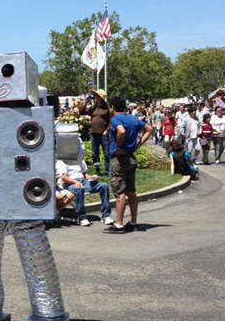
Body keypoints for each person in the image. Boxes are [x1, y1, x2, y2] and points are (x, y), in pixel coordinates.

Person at [104, 96, 153, 234]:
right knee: (131, 191)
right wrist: (138, 146)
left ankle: (119, 225)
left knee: (120, 192)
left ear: (112, 107)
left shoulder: (115, 119)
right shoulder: (132, 118)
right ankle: (133, 222)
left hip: (119, 160)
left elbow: (121, 131)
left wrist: (118, 146)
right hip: (131, 158)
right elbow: (149, 129)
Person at [56, 141, 112, 227]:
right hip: (69, 184)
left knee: (103, 186)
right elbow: (64, 177)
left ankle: (106, 215)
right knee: (79, 188)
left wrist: (92, 177)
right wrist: (75, 182)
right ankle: (82, 217)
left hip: (83, 181)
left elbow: (85, 175)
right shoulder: (62, 160)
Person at [85, 89, 112, 171]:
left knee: (106, 152)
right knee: (94, 153)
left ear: (101, 97)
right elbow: (82, 111)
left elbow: (111, 121)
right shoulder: (94, 107)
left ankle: (108, 170)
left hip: (103, 134)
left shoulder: (107, 107)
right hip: (94, 133)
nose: (95, 97)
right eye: (95, 96)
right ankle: (97, 170)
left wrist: (107, 130)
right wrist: (86, 102)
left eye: (97, 96)